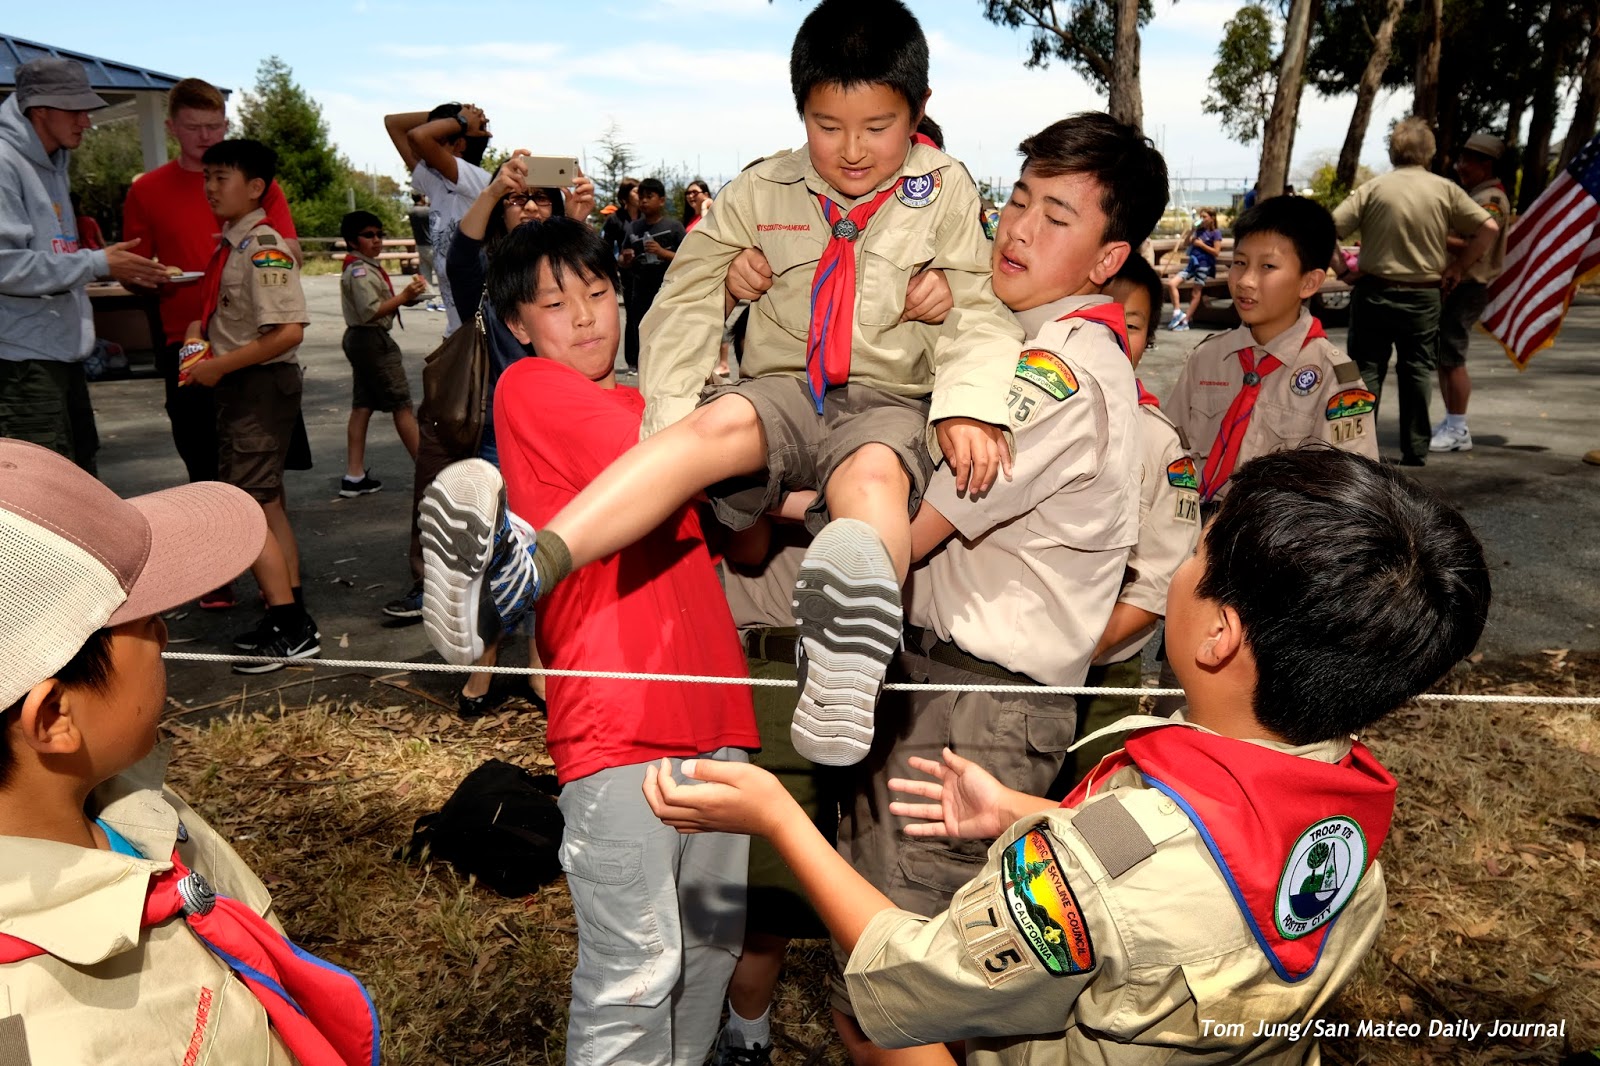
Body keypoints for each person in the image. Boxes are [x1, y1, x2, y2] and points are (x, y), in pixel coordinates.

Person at [643, 445, 1493, 1066]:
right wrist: (1025, 814)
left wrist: (780, 819)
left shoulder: (1083, 877)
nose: (1176, 566)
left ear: (1222, 633)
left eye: (1198, 551)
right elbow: (1209, 873)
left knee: (867, 1026)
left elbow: (914, 979)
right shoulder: (1346, 821)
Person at [421, 0, 1023, 772]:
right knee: (708, 434)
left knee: (872, 479)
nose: (851, 150)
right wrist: (668, 418)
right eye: (827, 125)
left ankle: (844, 664)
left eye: (878, 127)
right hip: (781, 390)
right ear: (799, 109)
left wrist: (970, 403)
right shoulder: (762, 188)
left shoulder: (943, 190)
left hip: (885, 399)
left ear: (920, 111)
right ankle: (525, 568)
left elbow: (979, 304)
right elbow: (686, 298)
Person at [420, 218, 760, 1065]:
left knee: (710, 950)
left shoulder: (663, 401)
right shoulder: (531, 389)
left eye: (601, 294)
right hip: (618, 724)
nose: (586, 318)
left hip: (720, 710)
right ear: (517, 325)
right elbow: (697, 451)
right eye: (555, 303)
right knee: (636, 966)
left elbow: (745, 525)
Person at [0, 437, 380, 1064]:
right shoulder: (48, 1035)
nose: (166, 633)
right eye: (145, 622)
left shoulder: (121, 800)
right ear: (55, 715)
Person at [121, 77, 301, 514]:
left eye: (215, 126)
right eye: (195, 127)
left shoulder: (252, 179)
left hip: (250, 346)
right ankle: (220, 569)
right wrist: (151, 276)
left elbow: (288, 250)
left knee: (261, 473)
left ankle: (274, 572)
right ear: (171, 128)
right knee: (203, 463)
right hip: (187, 343)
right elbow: (131, 267)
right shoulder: (147, 188)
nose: (207, 137)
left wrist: (238, 262)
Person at [182, 140, 318, 674]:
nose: (211, 188)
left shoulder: (263, 247)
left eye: (222, 178)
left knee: (249, 505)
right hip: (243, 384)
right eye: (207, 178)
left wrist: (220, 365)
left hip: (256, 386)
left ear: (256, 187)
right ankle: (290, 611)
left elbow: (288, 331)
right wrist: (202, 333)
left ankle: (291, 629)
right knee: (267, 502)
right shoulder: (233, 246)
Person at [1066, 252, 1200, 786]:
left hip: (1104, 671)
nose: (1113, 334)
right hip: (1003, 669)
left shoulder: (1159, 442)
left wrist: (1074, 652)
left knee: (1087, 802)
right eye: (1097, 314)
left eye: (1134, 325)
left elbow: (1157, 581)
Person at [0, 57, 168, 473]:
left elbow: (54, 252)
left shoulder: (54, 160)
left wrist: (108, 262)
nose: (87, 122)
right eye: (76, 110)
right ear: (40, 111)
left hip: (59, 353)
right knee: (40, 494)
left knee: (77, 479)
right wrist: (97, 262)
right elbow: (5, 267)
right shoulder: (4, 163)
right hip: (22, 360)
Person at [1169, 195, 1379, 504]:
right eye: (1239, 263)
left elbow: (1348, 498)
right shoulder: (1207, 358)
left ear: (1309, 283)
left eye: (1268, 266)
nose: (1246, 281)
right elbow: (1169, 452)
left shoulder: (1335, 380)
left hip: (1276, 544)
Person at [1330, 116, 1499, 466]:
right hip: (1423, 296)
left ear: (1393, 151)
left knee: (1367, 370)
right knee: (1417, 370)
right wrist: (1458, 267)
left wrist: (1343, 270)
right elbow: (1489, 227)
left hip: (1374, 293)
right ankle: (1416, 448)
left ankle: (1361, 450)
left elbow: (1327, 228)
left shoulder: (1373, 189)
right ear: (1430, 153)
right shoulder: (1444, 189)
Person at [1431, 133, 1512, 455]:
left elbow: (1480, 241)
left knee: (1453, 356)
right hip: (1459, 283)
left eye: (1468, 161)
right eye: (1460, 159)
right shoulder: (1476, 194)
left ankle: (1458, 427)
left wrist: (1432, 230)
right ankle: (1451, 421)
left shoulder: (1490, 199)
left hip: (1469, 284)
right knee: (1444, 356)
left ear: (1486, 164)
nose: (1460, 167)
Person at [383, 102, 493, 336]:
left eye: (439, 136)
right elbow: (392, 123)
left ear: (459, 145)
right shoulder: (437, 182)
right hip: (455, 332)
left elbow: (418, 136)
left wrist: (462, 121)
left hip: (481, 335)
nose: (422, 150)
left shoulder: (476, 182)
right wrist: (464, 116)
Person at [337, 210, 425, 498]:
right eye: (368, 235)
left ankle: (354, 475)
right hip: (371, 340)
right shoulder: (359, 271)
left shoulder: (365, 266)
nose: (376, 241)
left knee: (363, 405)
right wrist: (404, 296)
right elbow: (370, 311)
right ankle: (429, 473)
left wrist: (406, 299)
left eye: (379, 234)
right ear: (352, 241)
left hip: (364, 339)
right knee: (401, 405)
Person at [621, 177, 686, 343]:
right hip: (640, 292)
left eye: (649, 196)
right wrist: (625, 259)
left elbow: (688, 259)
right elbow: (622, 258)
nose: (643, 201)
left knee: (669, 335)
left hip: (668, 292)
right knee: (643, 335)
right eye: (641, 196)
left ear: (662, 200)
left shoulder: (674, 227)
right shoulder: (633, 228)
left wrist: (662, 253)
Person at [601, 177, 644, 369]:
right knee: (633, 316)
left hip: (650, 272)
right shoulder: (615, 219)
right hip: (627, 273)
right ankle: (633, 361)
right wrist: (618, 262)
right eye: (636, 191)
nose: (640, 195)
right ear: (625, 196)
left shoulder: (647, 216)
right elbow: (606, 248)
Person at [1163, 207, 1222, 331]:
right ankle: (1177, 312)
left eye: (1205, 217)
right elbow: (1185, 244)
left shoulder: (1215, 233)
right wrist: (1191, 231)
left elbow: (1216, 252)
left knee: (1195, 293)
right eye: (1201, 217)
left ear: (1212, 218)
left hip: (1204, 265)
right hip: (1192, 264)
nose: (1202, 219)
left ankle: (1186, 321)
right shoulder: (1198, 231)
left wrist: (1202, 245)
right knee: (1172, 284)